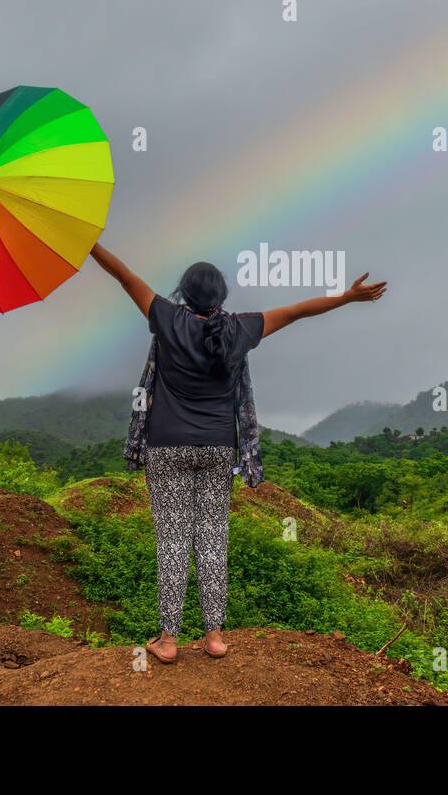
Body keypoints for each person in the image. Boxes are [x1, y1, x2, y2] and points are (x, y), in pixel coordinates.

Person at [88, 243, 386, 663]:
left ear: (183, 294)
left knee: (173, 540)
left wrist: (89, 243)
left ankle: (168, 641)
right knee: (213, 538)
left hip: (167, 446)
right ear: (221, 296)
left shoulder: (166, 318)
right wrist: (347, 298)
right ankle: (214, 637)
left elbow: (123, 275)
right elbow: (299, 310)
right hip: (218, 447)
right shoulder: (242, 330)